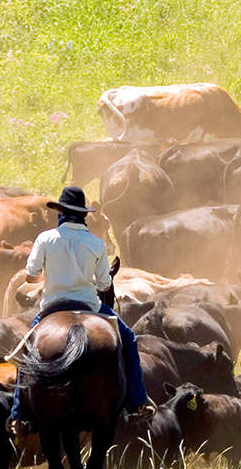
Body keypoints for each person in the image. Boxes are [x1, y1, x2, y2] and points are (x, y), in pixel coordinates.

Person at [8, 186, 151, 435]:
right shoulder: (96, 243)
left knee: (26, 350)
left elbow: (31, 276)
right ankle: (137, 402)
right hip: (90, 306)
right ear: (84, 215)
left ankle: (18, 415)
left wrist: (50, 273)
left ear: (60, 213)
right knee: (129, 339)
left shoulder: (45, 239)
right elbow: (105, 284)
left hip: (53, 306)